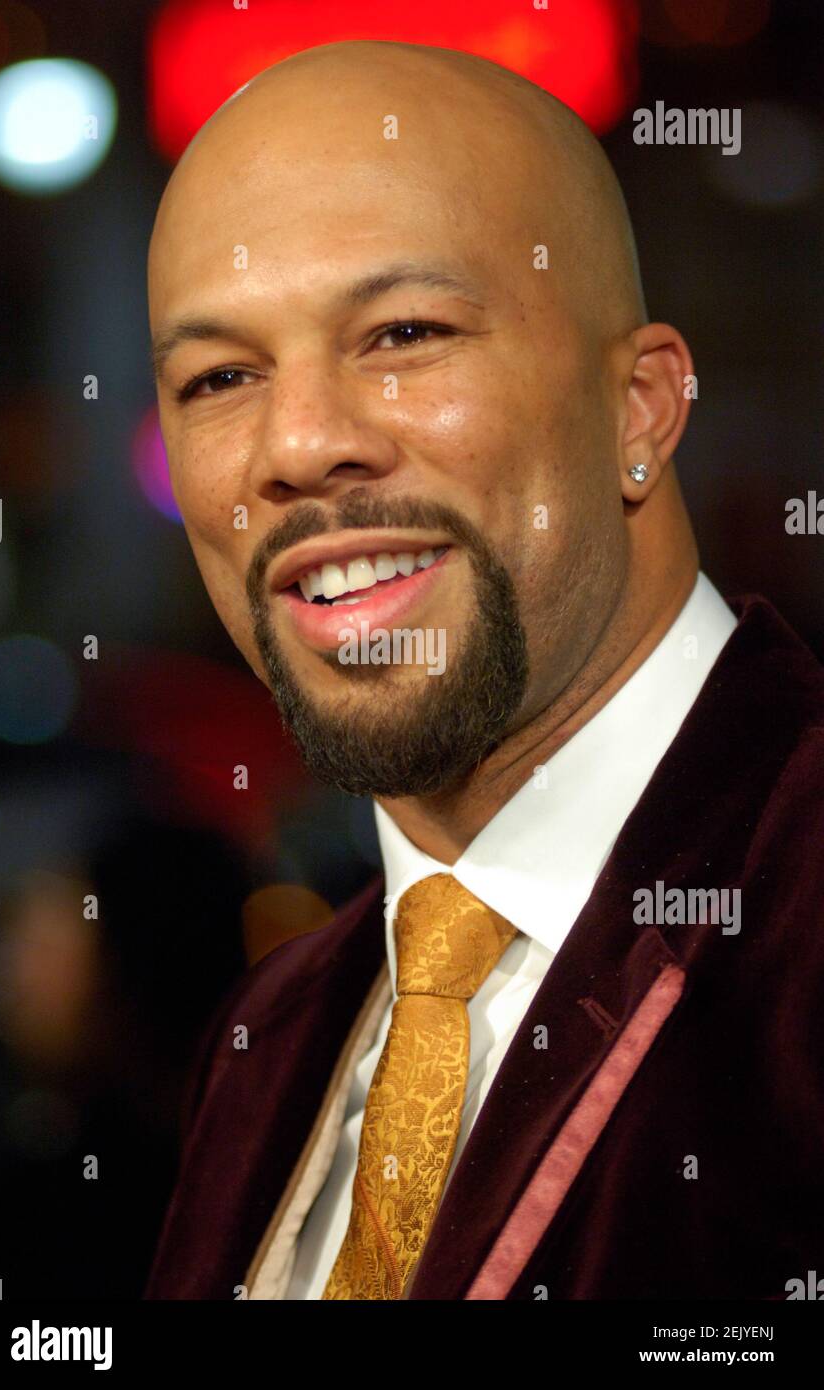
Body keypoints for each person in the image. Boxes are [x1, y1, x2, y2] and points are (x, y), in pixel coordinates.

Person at [144, 40, 824, 1300]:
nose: (297, 445)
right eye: (221, 376)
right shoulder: (265, 1044)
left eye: (402, 333)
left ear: (637, 407)